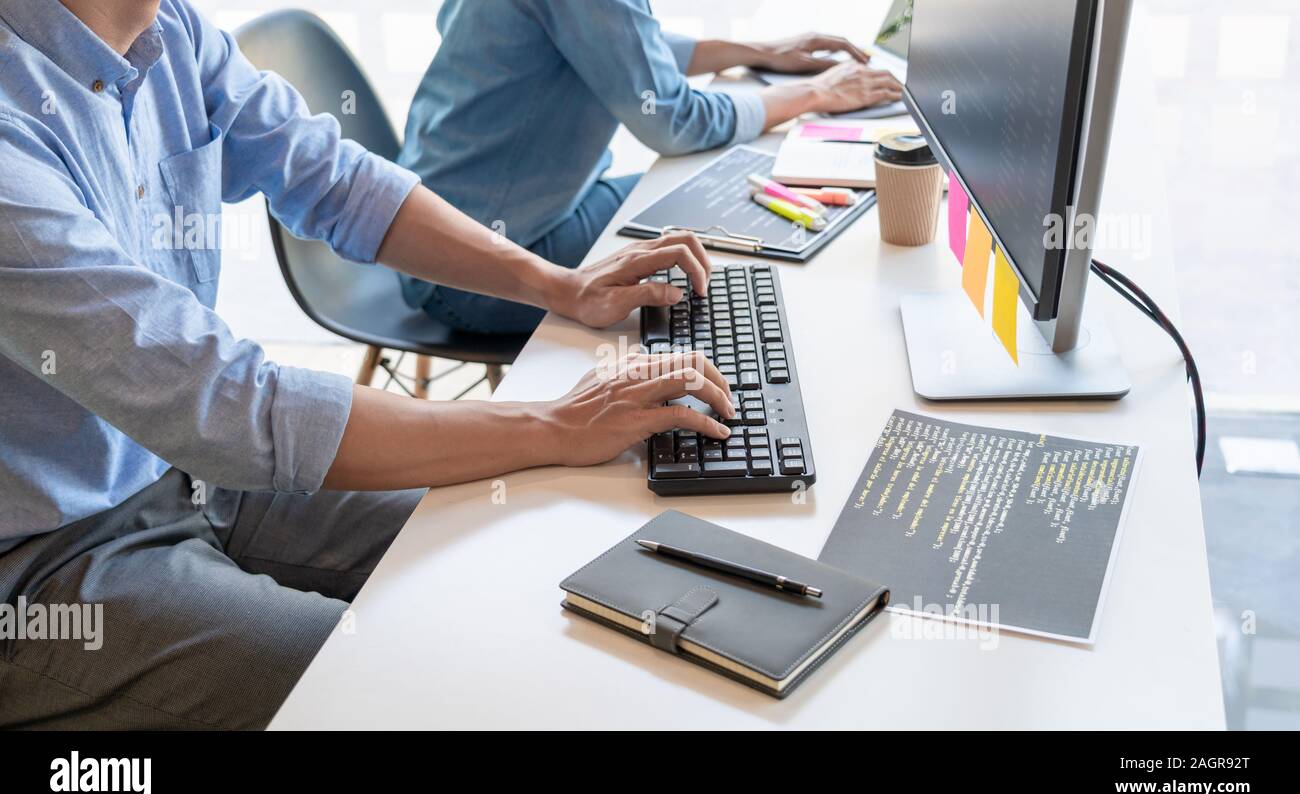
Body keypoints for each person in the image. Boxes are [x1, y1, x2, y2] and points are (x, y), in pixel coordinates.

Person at [0, 0, 737, 729]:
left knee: (525, 549)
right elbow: (225, 404)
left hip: (197, 474)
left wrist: (560, 286)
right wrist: (553, 422)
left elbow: (338, 182)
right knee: (403, 683)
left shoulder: (170, 31)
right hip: (49, 566)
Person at [397, 0, 904, 333]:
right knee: (722, 222)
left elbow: (614, 39)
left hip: (463, 235)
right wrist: (817, 93)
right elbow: (673, 121)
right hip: (474, 275)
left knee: (712, 197)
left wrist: (758, 52)